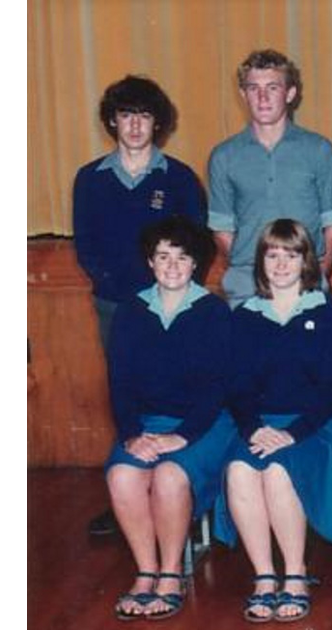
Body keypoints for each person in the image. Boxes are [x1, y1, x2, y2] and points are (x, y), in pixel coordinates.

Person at [73, 74, 207, 536]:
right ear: (112, 120)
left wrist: (169, 297)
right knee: (127, 391)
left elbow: (196, 245)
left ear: (158, 123)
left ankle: (181, 492)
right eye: (126, 115)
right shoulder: (90, 179)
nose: (134, 125)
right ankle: (128, 494)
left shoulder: (180, 178)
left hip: (174, 306)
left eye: (144, 115)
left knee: (182, 389)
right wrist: (125, 297)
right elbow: (86, 246)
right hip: (118, 307)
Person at [217, 219, 332, 623]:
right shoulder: (245, 317)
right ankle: (264, 578)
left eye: (290, 254)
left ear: (305, 260)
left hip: (314, 425)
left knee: (277, 471)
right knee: (240, 468)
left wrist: (292, 434)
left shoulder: (327, 313)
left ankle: (295, 576)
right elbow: (235, 385)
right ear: (260, 262)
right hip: (258, 424)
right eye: (272, 255)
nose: (280, 264)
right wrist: (254, 428)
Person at [104, 215, 233, 620]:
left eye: (181, 257)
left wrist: (182, 437)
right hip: (147, 424)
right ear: (150, 262)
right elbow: (119, 382)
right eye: (163, 257)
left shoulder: (214, 312)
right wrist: (131, 435)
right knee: (122, 474)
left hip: (205, 424)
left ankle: (172, 572)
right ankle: (146, 571)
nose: (172, 266)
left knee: (169, 476)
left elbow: (219, 387)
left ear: (196, 263)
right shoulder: (130, 312)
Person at [209, 49, 332, 306]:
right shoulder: (223, 156)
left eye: (272, 87)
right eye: (253, 88)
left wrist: (315, 274)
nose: (262, 97)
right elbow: (222, 228)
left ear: (290, 93)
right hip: (246, 287)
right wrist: (255, 273)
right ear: (243, 94)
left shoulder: (319, 150)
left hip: (306, 283)